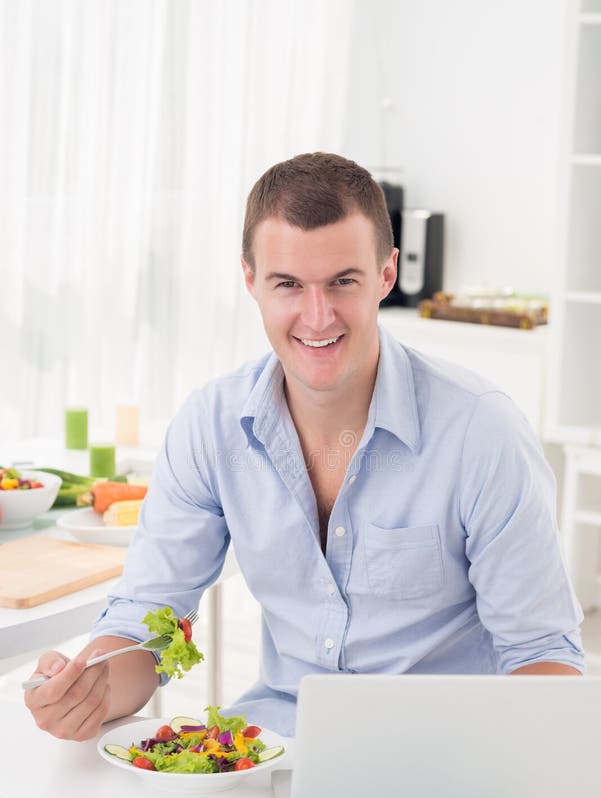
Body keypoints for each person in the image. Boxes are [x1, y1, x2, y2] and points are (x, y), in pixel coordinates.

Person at [25, 152, 584, 742]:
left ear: (387, 274)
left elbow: (541, 651)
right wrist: (92, 688)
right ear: (250, 280)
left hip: (444, 758)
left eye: (343, 281)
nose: (317, 317)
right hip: (277, 748)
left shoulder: (481, 431)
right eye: (288, 284)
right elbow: (149, 620)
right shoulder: (210, 426)